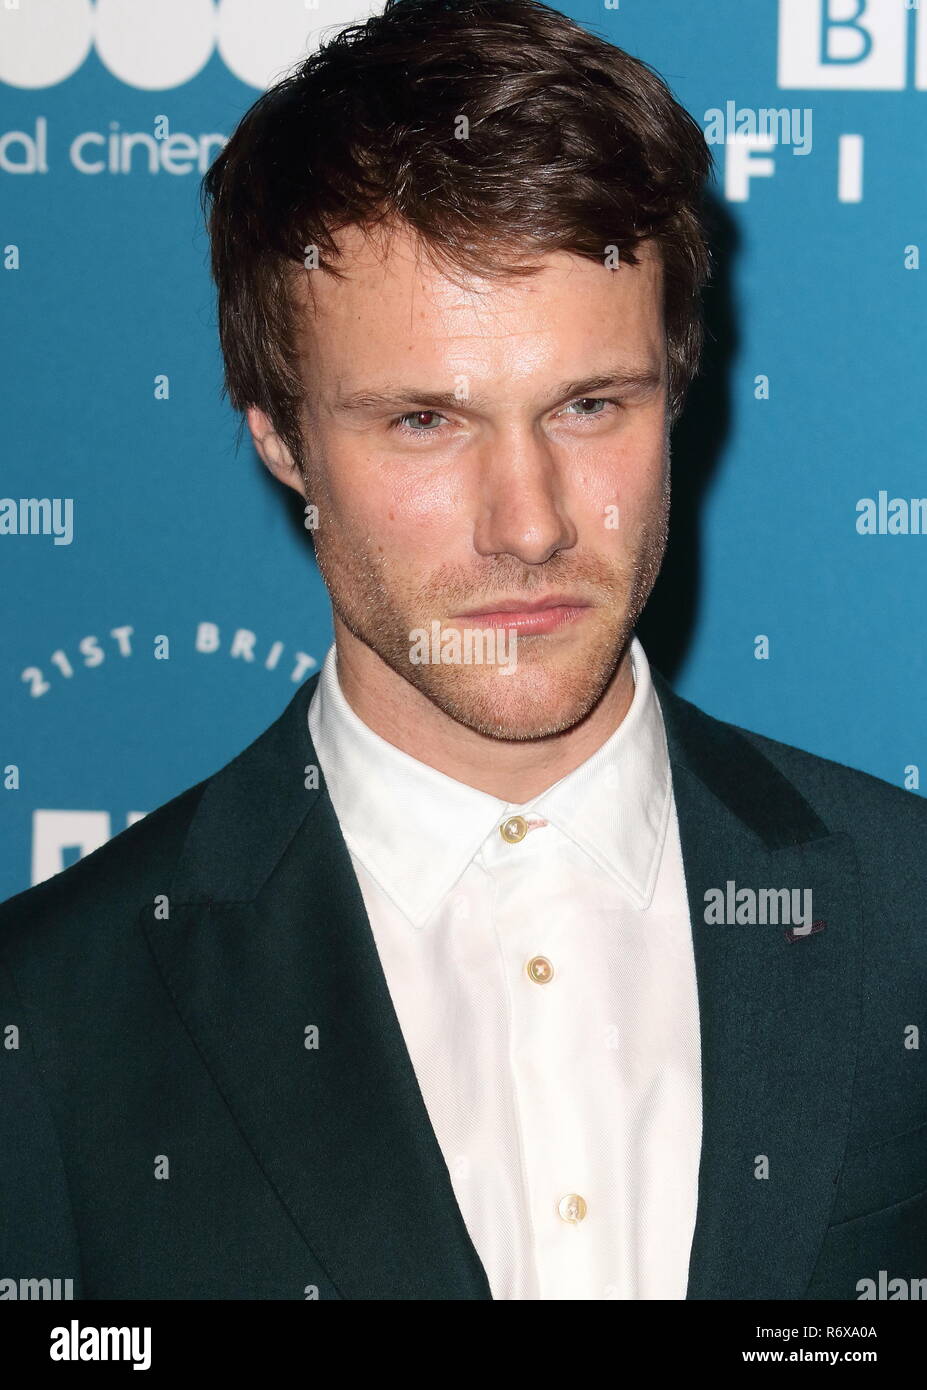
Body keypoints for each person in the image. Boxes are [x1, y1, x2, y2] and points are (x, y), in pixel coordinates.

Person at [1, 0, 925, 1302]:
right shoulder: (47, 1024)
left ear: (681, 384)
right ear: (278, 435)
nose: (531, 523)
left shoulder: (911, 918)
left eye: (590, 405)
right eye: (426, 420)